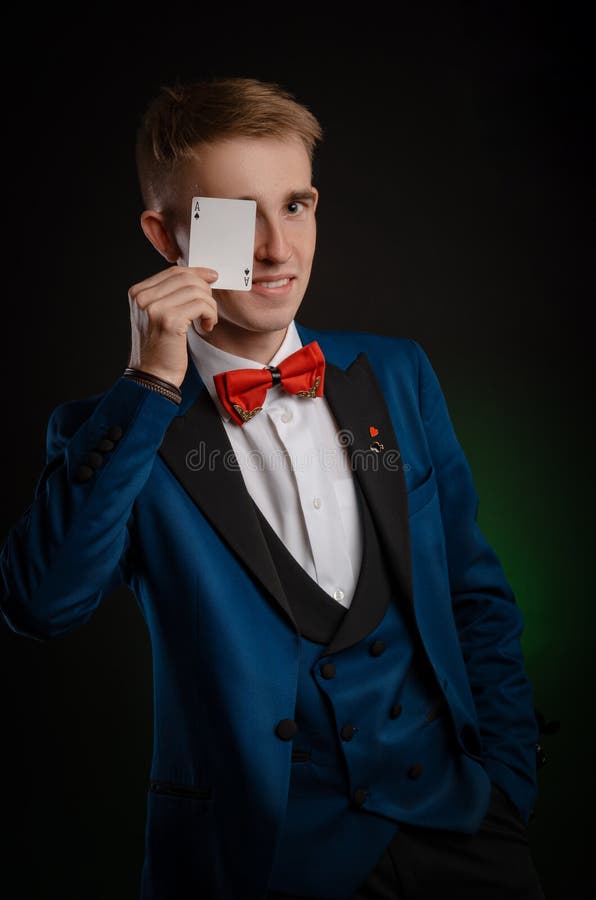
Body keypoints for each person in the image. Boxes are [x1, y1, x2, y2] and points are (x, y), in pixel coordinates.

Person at [0, 76, 546, 900]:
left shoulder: (396, 373)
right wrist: (149, 384)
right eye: (232, 215)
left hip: (461, 825)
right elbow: (41, 605)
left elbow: (474, 593)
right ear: (165, 234)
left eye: (293, 206)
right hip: (260, 861)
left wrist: (505, 780)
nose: (276, 250)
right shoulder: (114, 429)